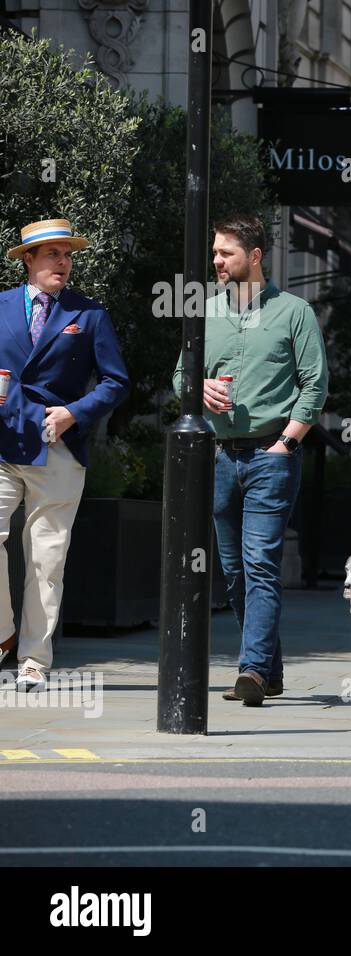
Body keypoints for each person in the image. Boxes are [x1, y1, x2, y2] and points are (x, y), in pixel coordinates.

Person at [175, 215, 328, 707]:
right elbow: (180, 377)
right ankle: (271, 668)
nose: (216, 261)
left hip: (271, 455)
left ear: (255, 256)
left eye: (226, 253)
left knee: (260, 563)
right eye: (215, 253)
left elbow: (315, 384)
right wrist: (199, 390)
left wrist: (288, 441)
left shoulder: (294, 312)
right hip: (219, 457)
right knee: (235, 571)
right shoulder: (204, 312)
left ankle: (252, 670)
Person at [0, 219, 129, 691]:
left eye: (67, 253)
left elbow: (116, 382)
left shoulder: (89, 314)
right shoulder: (0, 307)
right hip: (4, 442)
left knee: (46, 559)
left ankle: (34, 661)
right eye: (51, 253)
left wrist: (74, 413)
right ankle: (3, 632)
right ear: (28, 261)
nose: (62, 261)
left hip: (59, 448)